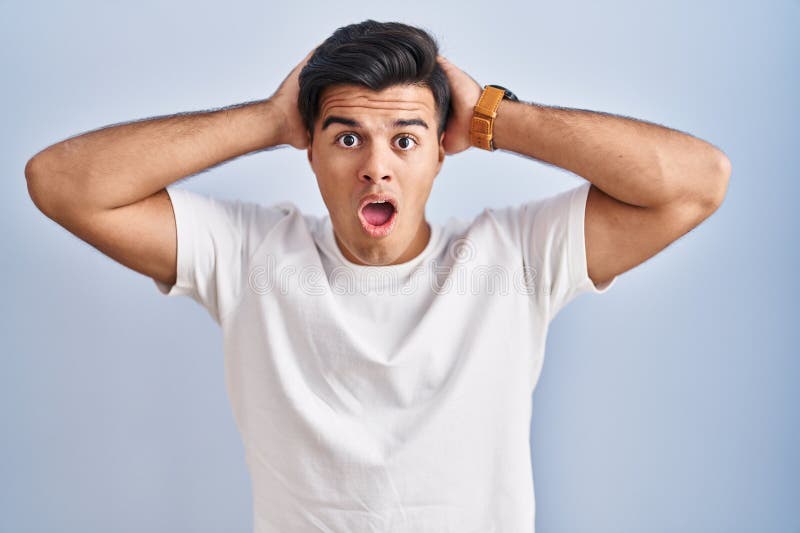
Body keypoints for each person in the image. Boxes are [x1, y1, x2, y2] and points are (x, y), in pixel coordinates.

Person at [24, 19, 730, 533]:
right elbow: (61, 184)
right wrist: (270, 119)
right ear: (310, 152)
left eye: (405, 138)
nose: (376, 166)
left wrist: (494, 116)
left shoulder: (514, 257)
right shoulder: (248, 256)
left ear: (441, 153)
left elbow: (698, 182)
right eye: (346, 137)